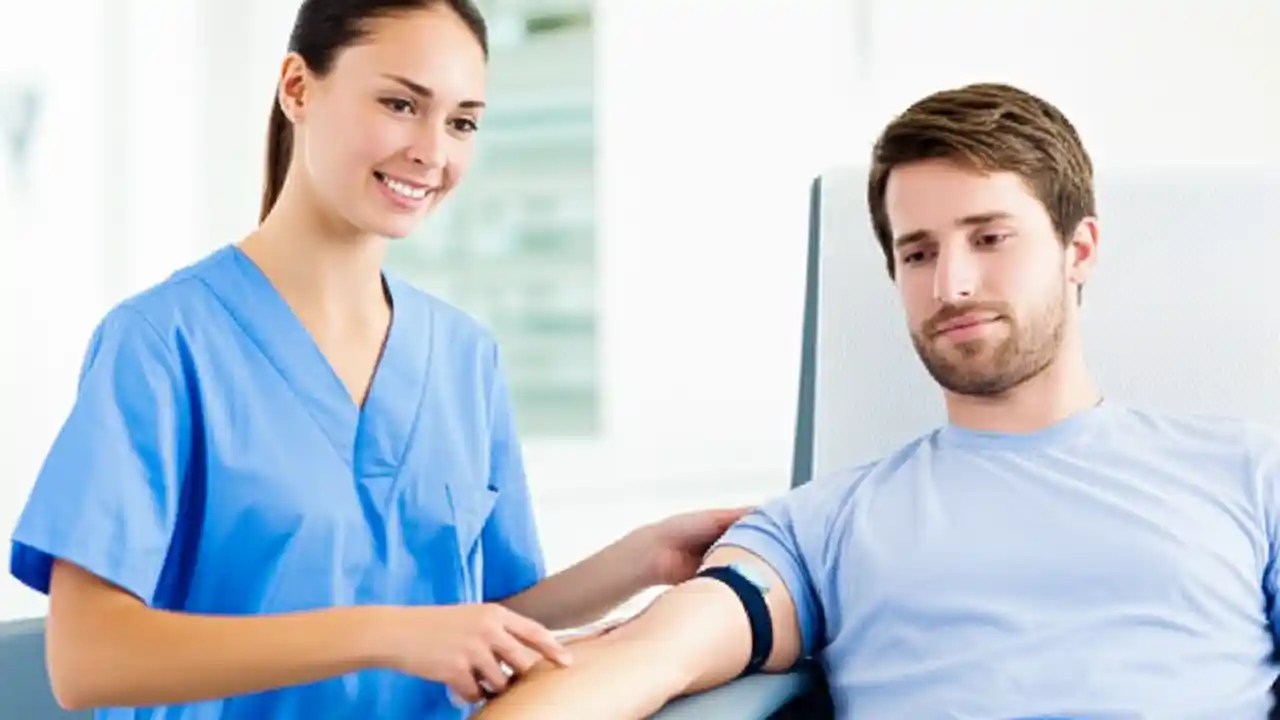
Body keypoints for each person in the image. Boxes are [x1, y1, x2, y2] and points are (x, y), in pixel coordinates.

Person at [6, 1, 747, 718]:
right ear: (297, 87)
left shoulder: (465, 357)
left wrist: (644, 562)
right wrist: (383, 633)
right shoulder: (165, 343)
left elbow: (480, 621)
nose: (433, 150)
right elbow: (87, 661)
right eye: (400, 104)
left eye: (462, 122)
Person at [473, 82, 1280, 719]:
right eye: (917, 251)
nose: (951, 284)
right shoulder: (823, 524)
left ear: (1080, 249)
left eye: (989, 238)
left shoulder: (1249, 475)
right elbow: (648, 656)